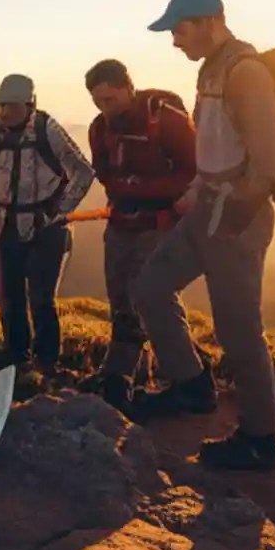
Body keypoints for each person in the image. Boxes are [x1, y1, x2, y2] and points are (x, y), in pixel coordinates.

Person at [131, 0, 275, 471]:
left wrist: (237, 211)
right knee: (151, 287)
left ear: (209, 22)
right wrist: (196, 191)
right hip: (207, 208)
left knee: (239, 331)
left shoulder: (246, 71)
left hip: (235, 216)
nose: (175, 41)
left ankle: (260, 439)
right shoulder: (211, 70)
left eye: (179, 30)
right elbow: (216, 146)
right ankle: (193, 387)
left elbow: (269, 160)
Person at [0, 74, 95, 378]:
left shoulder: (47, 130)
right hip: (7, 225)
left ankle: (46, 363)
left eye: (12, 106)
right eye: (1, 106)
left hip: (46, 229)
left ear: (29, 104)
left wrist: (60, 211)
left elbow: (83, 171)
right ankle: (17, 358)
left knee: (41, 297)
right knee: (10, 295)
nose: (5, 112)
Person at [84, 59, 196, 412]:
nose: (105, 108)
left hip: (159, 225)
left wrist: (143, 188)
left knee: (149, 298)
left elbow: (194, 169)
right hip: (120, 222)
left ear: (128, 87)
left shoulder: (164, 119)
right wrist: (120, 186)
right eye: (98, 101)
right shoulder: (99, 127)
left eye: (110, 99)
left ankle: (186, 380)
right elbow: (101, 168)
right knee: (120, 298)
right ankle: (128, 374)